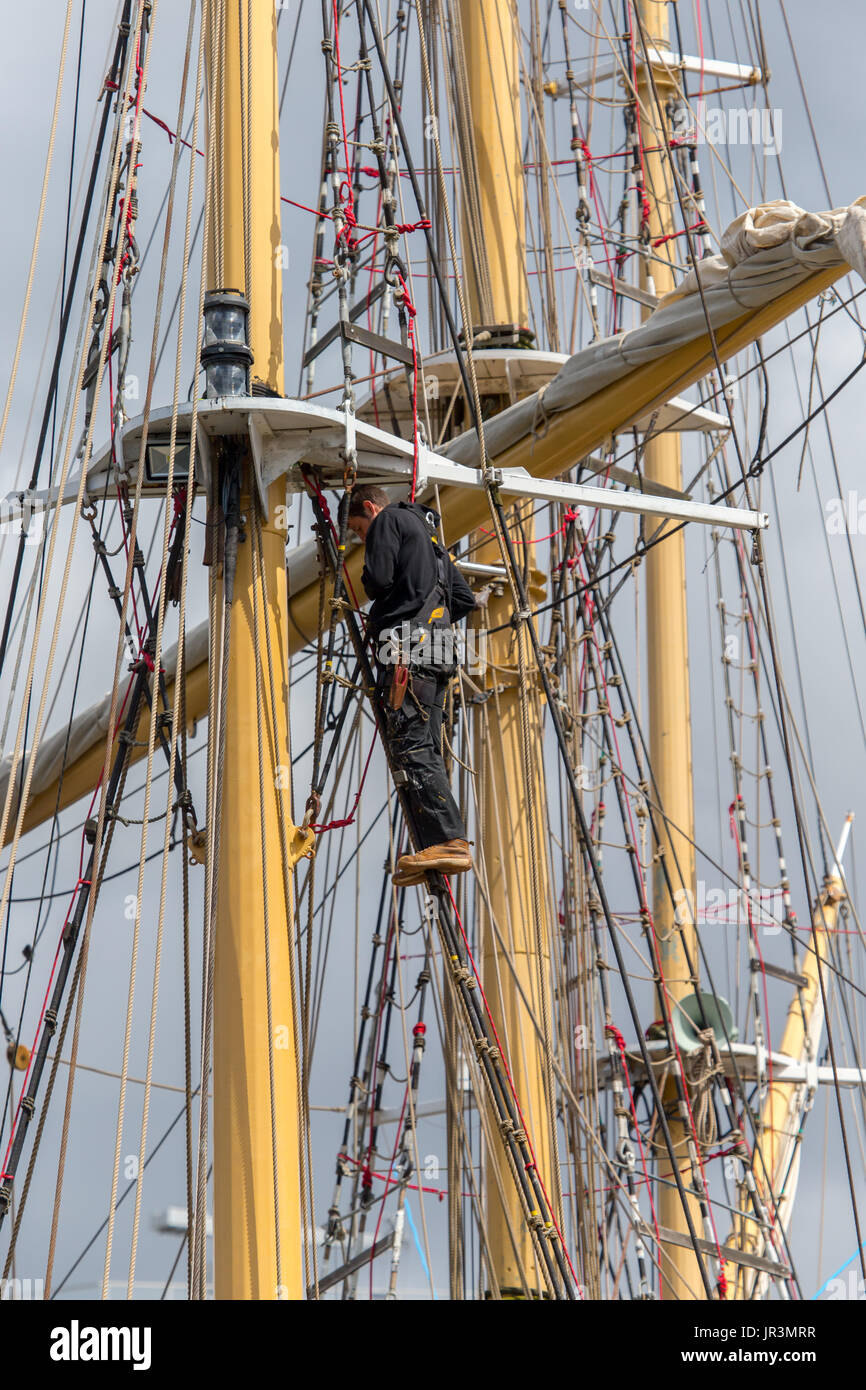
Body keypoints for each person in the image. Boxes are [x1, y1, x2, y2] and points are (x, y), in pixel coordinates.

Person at [347, 484, 480, 887]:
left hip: (408, 651)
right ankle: (434, 844)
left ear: (370, 507)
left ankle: (449, 841)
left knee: (412, 744)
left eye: (358, 530)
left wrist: (383, 592)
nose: (361, 538)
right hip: (439, 651)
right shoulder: (432, 539)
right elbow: (463, 598)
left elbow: (379, 580)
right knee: (427, 747)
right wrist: (428, 616)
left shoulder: (388, 520)